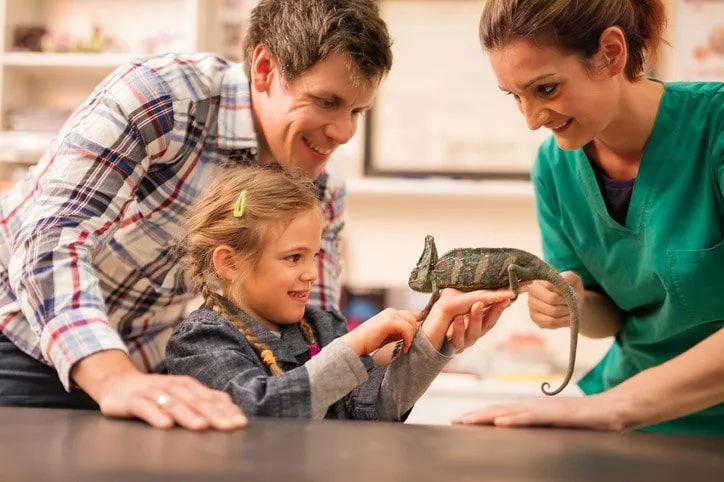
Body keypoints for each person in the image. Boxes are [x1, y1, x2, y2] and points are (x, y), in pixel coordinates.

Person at [0, 0, 394, 430]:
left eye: (357, 111)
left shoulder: (323, 185)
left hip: (142, 366)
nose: (343, 133)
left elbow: (308, 331)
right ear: (264, 68)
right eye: (326, 101)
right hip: (22, 335)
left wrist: (411, 350)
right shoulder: (161, 97)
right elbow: (52, 238)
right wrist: (114, 379)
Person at [453, 0, 724, 435]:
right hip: (638, 422)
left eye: (545, 89)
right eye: (515, 97)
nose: (532, 119)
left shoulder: (716, 128)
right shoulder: (555, 169)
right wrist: (575, 305)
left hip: (641, 408)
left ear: (611, 53)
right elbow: (611, 317)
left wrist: (618, 406)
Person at [164, 166, 514, 419]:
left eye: (314, 256)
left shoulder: (320, 326)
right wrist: (352, 346)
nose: (311, 274)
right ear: (229, 263)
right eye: (294, 257)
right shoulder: (200, 341)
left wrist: (434, 335)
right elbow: (261, 410)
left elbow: (371, 409)